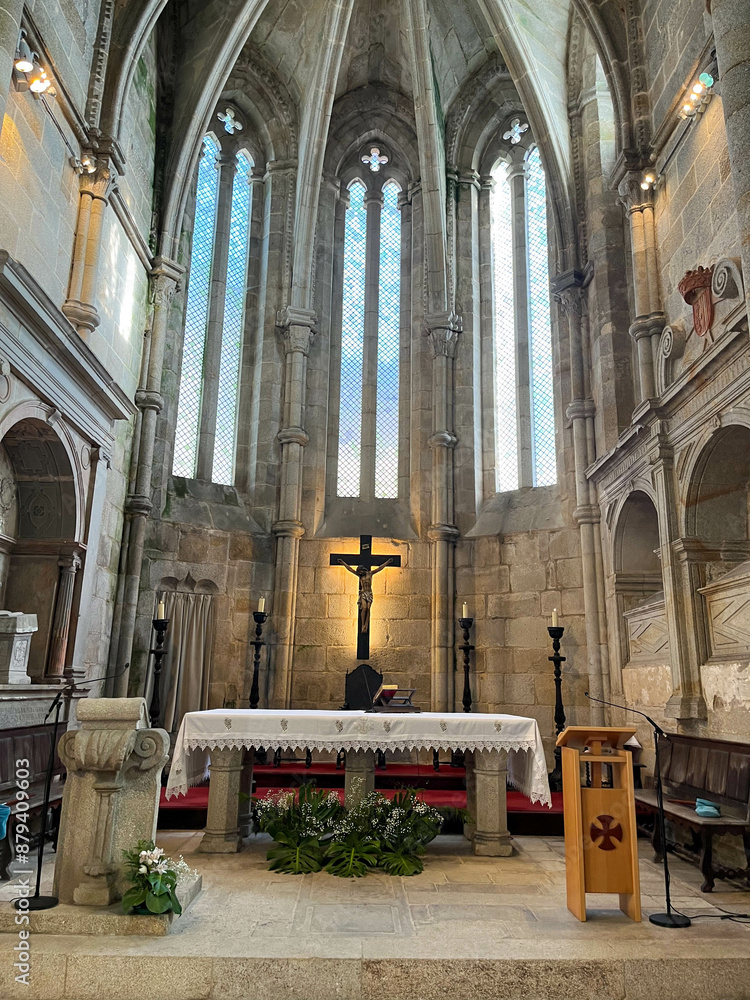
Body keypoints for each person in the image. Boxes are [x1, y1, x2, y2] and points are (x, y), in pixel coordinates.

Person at [336, 557, 393, 635]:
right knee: (364, 608)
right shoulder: (360, 576)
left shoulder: (370, 573)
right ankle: (363, 624)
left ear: (363, 570)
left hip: (369, 593)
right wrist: (343, 563)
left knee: (368, 608)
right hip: (363, 593)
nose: (359, 573)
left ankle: (366, 624)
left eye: (360, 571)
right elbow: (350, 569)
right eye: (359, 572)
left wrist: (387, 562)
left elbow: (379, 568)